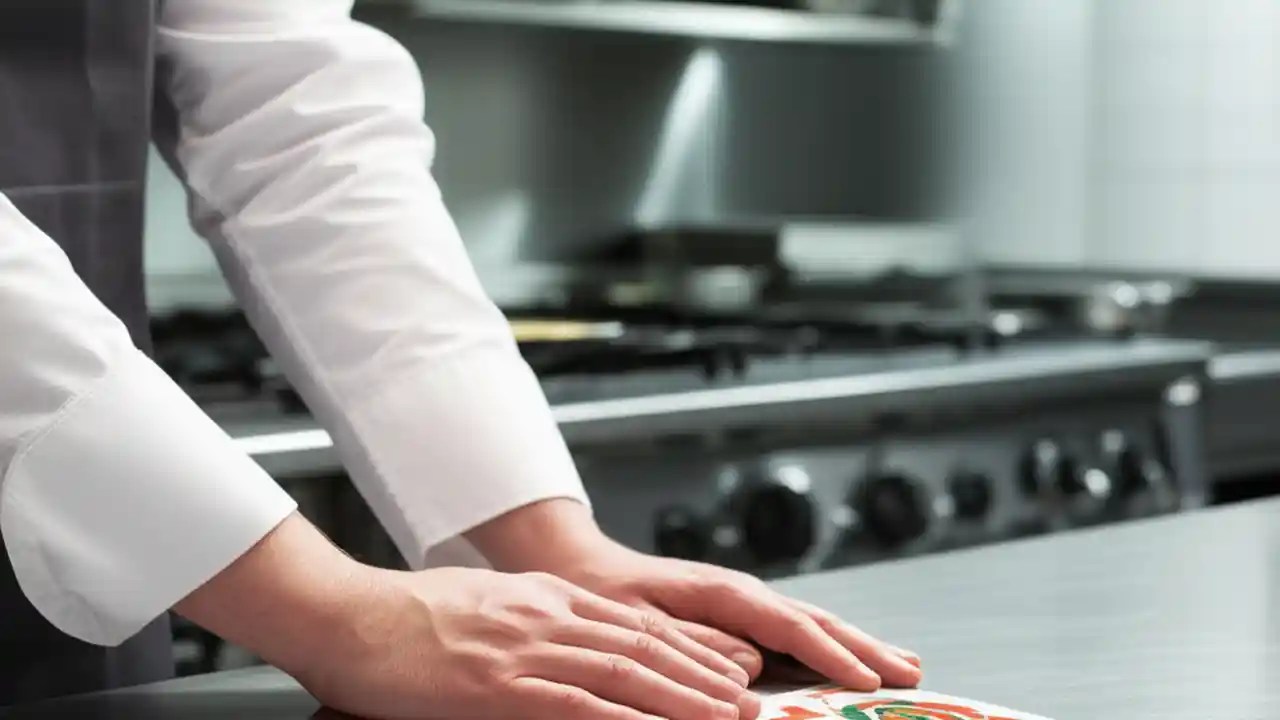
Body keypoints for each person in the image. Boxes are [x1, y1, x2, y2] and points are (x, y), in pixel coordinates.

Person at [0, 0, 922, 716]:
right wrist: (332, 610)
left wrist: (550, 549)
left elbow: (292, 114)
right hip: (132, 512)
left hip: (107, 573)